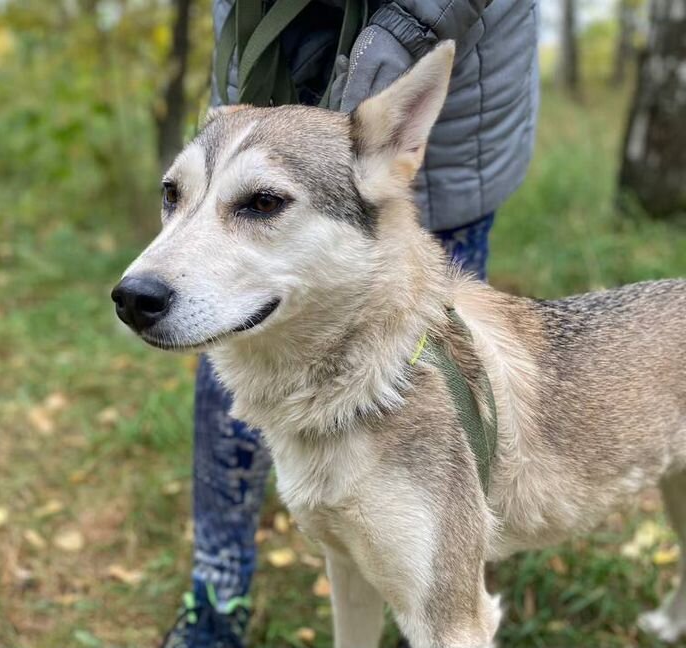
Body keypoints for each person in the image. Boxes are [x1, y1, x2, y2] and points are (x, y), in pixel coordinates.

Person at [163, 1, 539, 646]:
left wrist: (404, 30)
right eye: (172, 195)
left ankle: (450, 553)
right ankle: (219, 587)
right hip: (274, 59)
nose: (148, 268)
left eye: (260, 203)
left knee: (442, 539)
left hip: (443, 89)